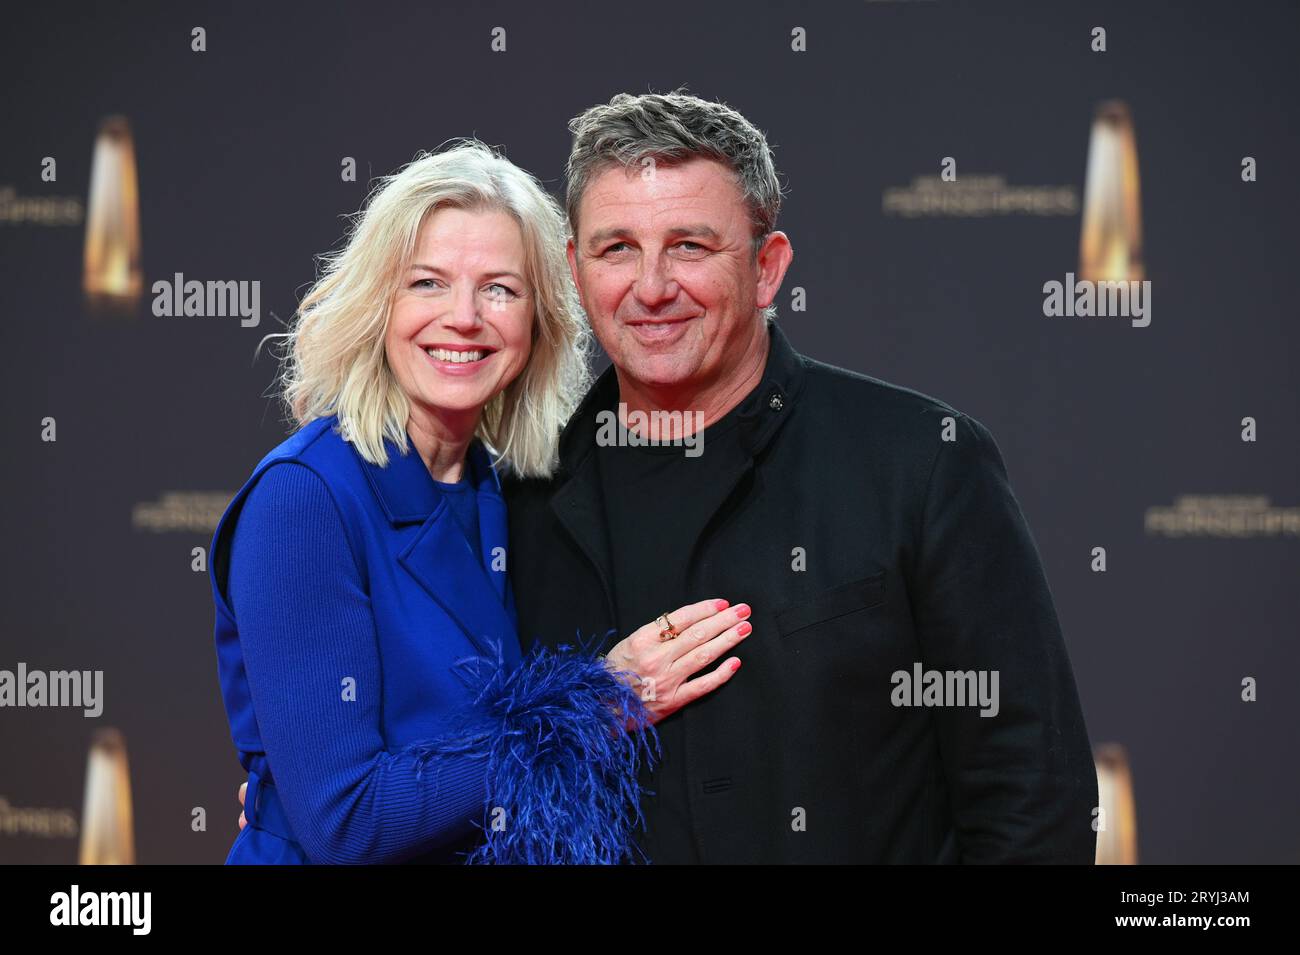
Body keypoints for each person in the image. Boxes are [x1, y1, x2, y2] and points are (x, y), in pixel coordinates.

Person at [503, 92, 1100, 863]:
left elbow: (1033, 795)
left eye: (690, 246)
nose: (651, 287)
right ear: (576, 274)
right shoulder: (516, 495)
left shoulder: (922, 462)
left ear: (767, 267)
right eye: (617, 248)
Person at [211, 141, 751, 865]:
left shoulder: (500, 486)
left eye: (500, 288)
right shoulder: (305, 499)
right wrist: (598, 703)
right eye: (427, 283)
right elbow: (346, 821)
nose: (464, 318)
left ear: (538, 322)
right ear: (378, 302)